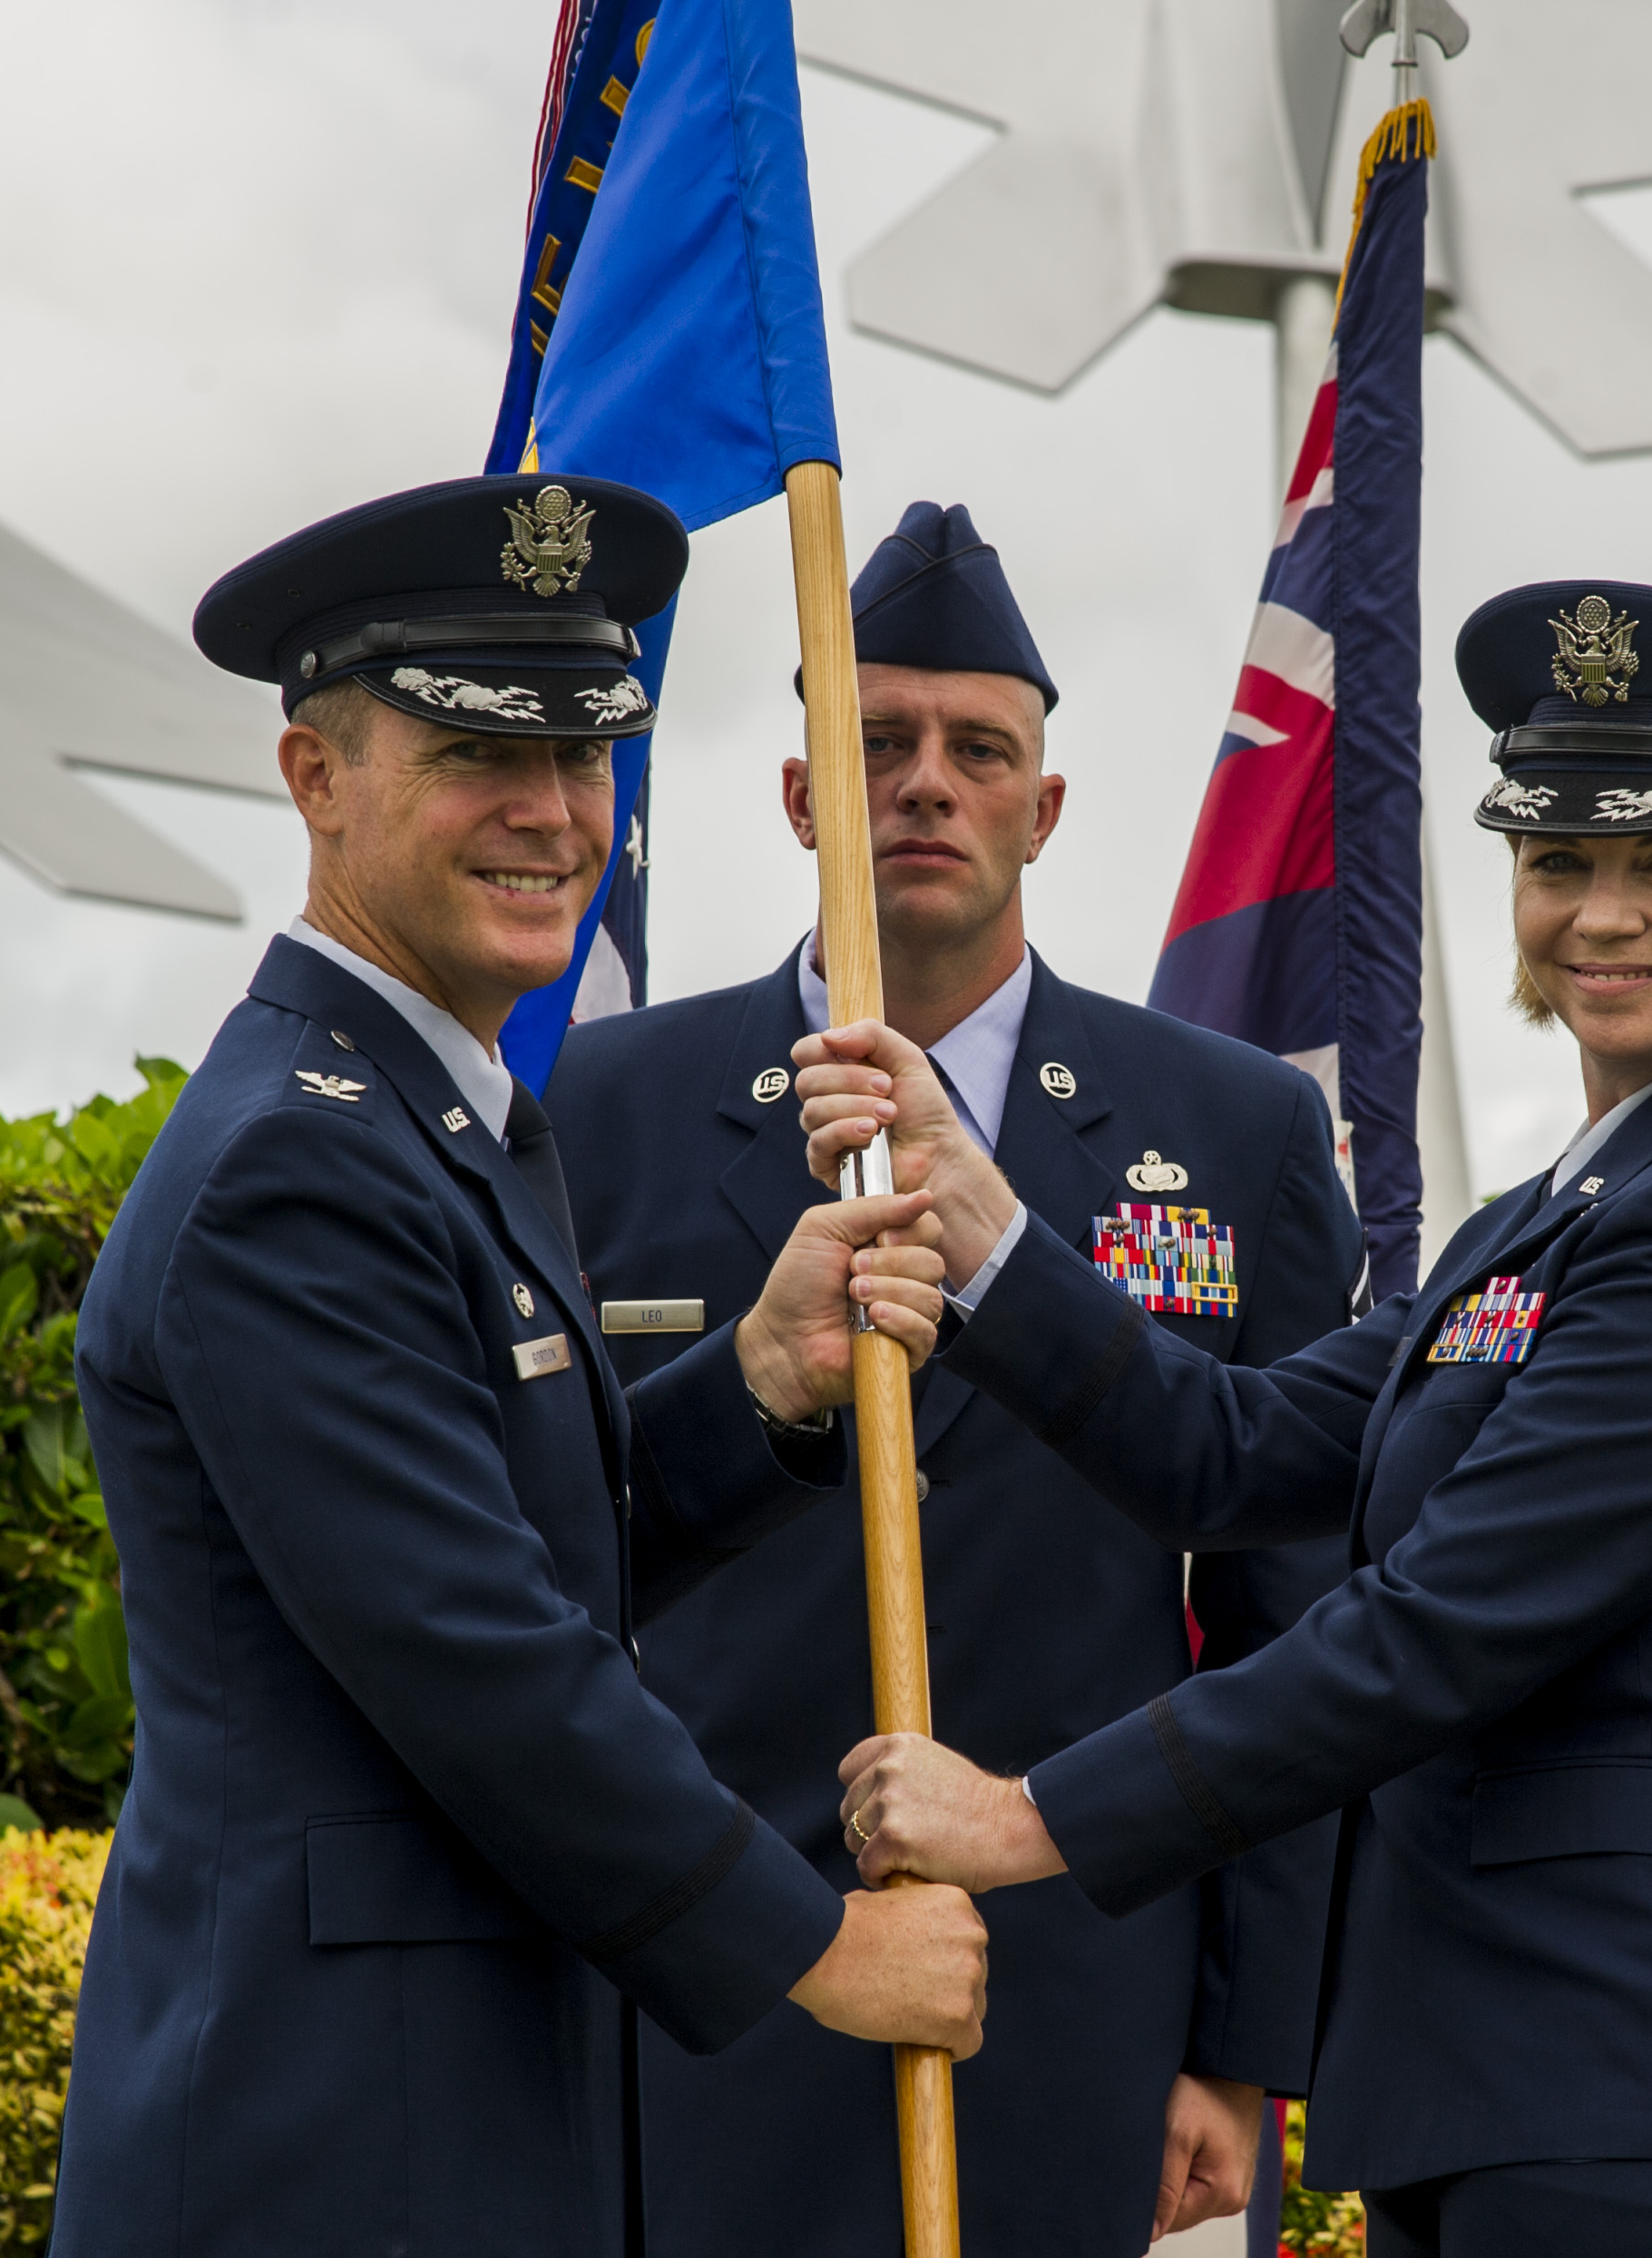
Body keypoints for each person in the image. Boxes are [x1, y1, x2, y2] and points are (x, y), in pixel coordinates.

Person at [811, 583, 1652, 2258]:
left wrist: (1025, 1818)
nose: (1599, 915)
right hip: (1521, 2085)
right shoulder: (1551, 1216)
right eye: (1557, 863)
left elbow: (1440, 1628)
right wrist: (987, 1240)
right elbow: (1232, 1448)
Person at [54, 475, 989, 2258]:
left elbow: (520, 1544)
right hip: (330, 2134)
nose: (554, 814)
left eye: (584, 756)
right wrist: (816, 1944)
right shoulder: (297, 1163)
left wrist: (756, 1384)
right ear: (314, 780)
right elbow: (477, 1656)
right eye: (481, 755)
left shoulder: (434, 1121)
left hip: (441, 2098)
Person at [548, 501, 1361, 2256]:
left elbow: (1297, 1614)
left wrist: (1240, 2050)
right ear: (798, 797)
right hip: (707, 1996)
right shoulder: (598, 1113)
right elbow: (548, 1548)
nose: (925, 784)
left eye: (976, 750)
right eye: (878, 746)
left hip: (1091, 2003)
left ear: (1042, 808)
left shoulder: (1231, 1128)